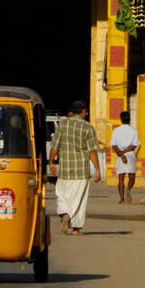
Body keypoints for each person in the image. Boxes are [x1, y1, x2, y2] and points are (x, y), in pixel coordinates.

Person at [48, 100, 101, 235]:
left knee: (62, 194)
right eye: (86, 111)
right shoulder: (87, 127)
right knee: (79, 199)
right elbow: (92, 151)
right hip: (81, 170)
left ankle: (64, 212)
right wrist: (97, 169)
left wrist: (51, 162)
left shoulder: (62, 125)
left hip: (65, 169)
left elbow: (55, 145)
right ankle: (76, 229)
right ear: (83, 111)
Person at [110, 110, 140, 205]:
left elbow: (113, 145)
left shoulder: (116, 131)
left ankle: (122, 199)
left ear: (121, 119)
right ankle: (128, 189)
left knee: (121, 178)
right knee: (132, 176)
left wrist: (121, 154)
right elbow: (134, 145)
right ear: (129, 119)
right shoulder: (133, 131)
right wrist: (125, 152)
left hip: (119, 155)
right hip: (130, 154)